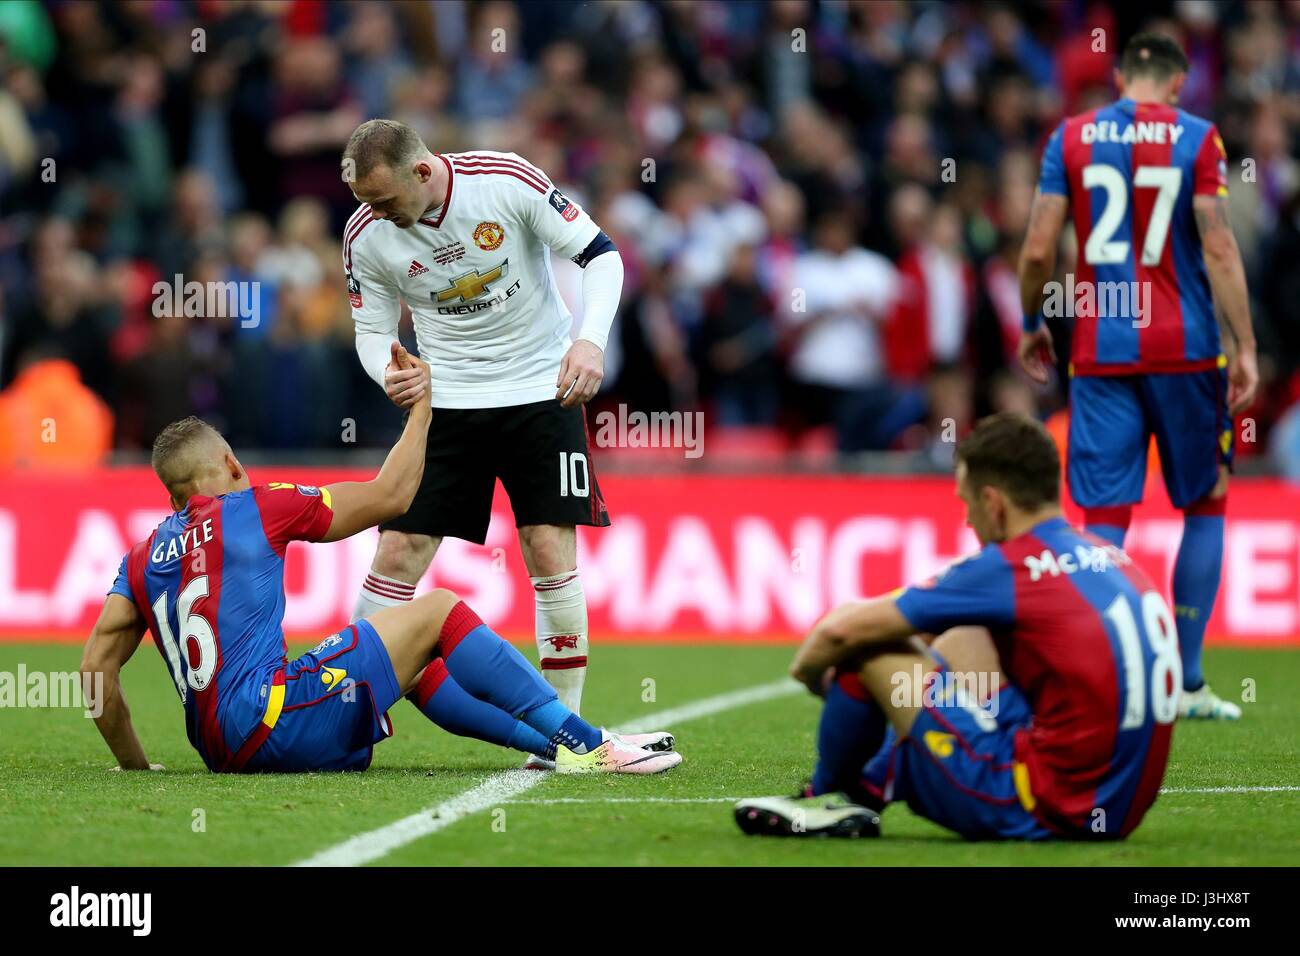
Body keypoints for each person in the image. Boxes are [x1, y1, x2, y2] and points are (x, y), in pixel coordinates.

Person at [81, 343, 679, 776]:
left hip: (219, 753)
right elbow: (392, 494)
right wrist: (424, 409)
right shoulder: (257, 508)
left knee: (409, 658)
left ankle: (556, 747)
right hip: (275, 724)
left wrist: (135, 765)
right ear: (233, 466)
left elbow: (94, 674)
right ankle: (592, 744)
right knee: (439, 611)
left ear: (171, 495)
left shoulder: (138, 559)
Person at [735, 413, 1177, 841]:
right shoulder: (1110, 557)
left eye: (967, 504)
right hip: (1117, 810)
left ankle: (826, 795)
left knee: (868, 648)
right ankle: (870, 788)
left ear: (993, 503)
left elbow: (841, 630)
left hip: (1040, 805)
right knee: (970, 634)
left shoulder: (1012, 566)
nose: (968, 521)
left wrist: (813, 677)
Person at [341, 120, 625, 767]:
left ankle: (565, 732)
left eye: (383, 200)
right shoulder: (366, 233)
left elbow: (600, 254)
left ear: (422, 171)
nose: (375, 213)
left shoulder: (505, 182)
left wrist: (591, 340)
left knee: (548, 547)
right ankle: (352, 713)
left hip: (540, 388)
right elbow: (370, 329)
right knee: (400, 550)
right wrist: (388, 369)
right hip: (448, 402)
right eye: (365, 203)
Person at [1017, 32, 1255, 719]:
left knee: (1103, 519)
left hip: (1100, 347)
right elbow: (1218, 244)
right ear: (1177, 84)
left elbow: (1038, 246)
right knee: (1206, 501)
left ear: (1120, 77)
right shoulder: (1199, 138)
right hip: (1186, 348)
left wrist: (1033, 319)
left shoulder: (1071, 138)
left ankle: (1098, 682)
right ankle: (1186, 682)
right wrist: (1244, 345)